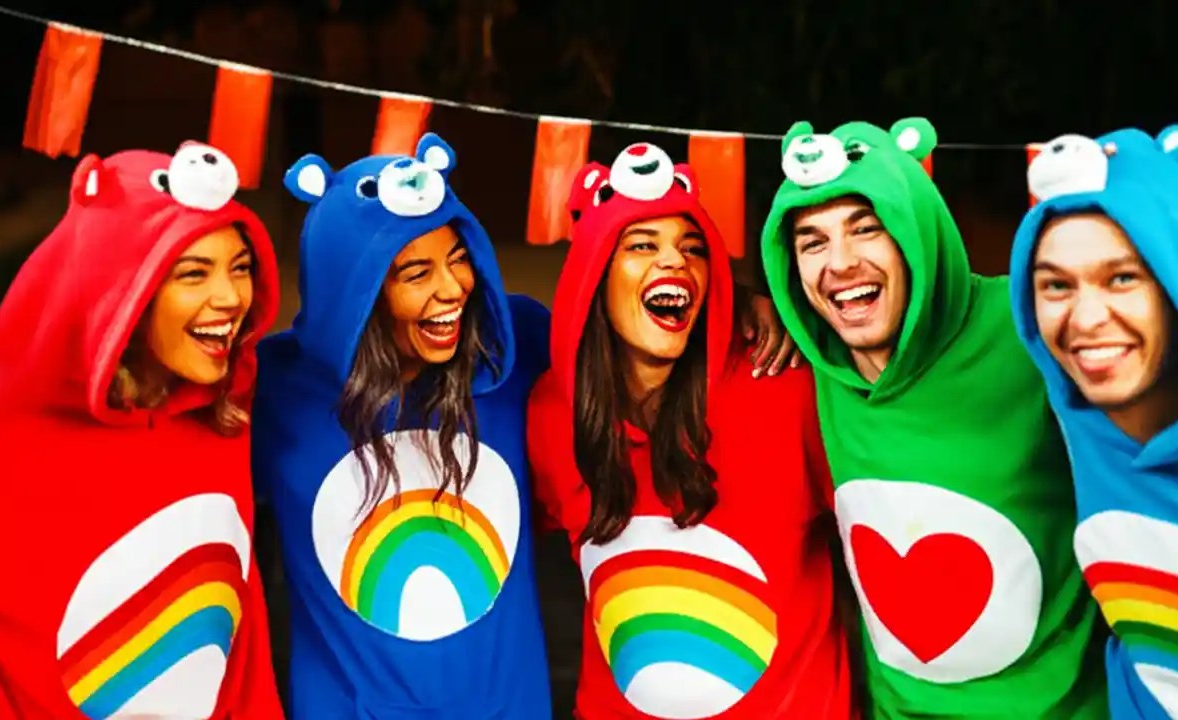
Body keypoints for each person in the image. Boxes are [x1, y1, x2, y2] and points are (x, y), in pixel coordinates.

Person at [757, 118, 1108, 718]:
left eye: (867, 229)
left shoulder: (1026, 327)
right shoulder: (804, 375)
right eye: (813, 241)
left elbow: (1150, 319)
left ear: (916, 229)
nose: (839, 263)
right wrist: (746, 302)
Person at [528, 142, 852, 720]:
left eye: (693, 248)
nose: (674, 262)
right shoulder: (552, 408)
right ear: (594, 273)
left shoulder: (783, 384)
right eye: (642, 245)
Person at [251, 133, 557, 718]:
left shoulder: (515, 352)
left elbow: (639, 343)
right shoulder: (275, 388)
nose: (452, 289)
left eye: (460, 257)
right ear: (355, 291)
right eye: (416, 272)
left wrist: (749, 306)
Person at [0, 144, 284, 718]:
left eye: (241, 267)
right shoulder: (13, 442)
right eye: (193, 272)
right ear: (122, 285)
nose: (230, 298)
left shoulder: (227, 423)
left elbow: (243, 637)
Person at [1009, 125, 1178, 719]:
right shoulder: (1074, 401)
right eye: (1056, 285)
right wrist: (762, 304)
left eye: (1122, 278)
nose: (1086, 318)